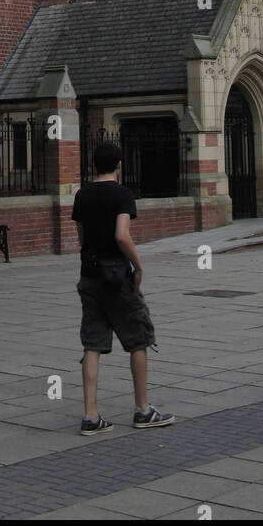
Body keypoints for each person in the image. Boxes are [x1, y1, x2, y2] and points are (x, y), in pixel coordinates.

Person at [71, 140, 173, 434]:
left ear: (94, 165)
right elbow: (122, 235)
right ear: (118, 165)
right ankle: (143, 409)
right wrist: (138, 266)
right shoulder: (123, 195)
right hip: (117, 276)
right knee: (138, 339)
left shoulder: (82, 195)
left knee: (92, 343)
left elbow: (81, 237)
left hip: (89, 275)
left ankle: (91, 415)